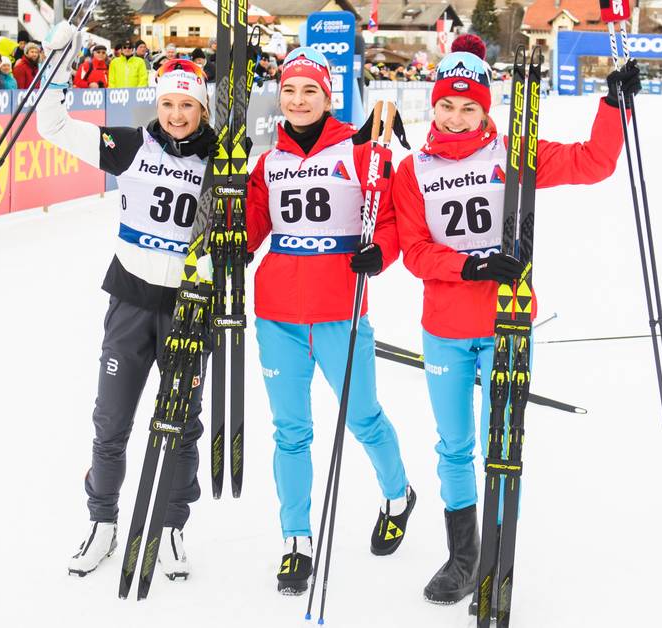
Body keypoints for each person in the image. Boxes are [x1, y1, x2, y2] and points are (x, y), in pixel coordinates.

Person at [391, 38, 640, 605]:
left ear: (486, 109)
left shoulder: (514, 153)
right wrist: (471, 265)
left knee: (502, 444)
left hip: (507, 320)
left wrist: (613, 106)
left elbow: (594, 162)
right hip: (444, 326)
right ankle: (464, 557)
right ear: (433, 105)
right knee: (454, 446)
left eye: (469, 107)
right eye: (446, 106)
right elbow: (415, 252)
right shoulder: (413, 169)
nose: (456, 118)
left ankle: (498, 559)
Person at [36, 21, 217, 581]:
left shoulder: (222, 159)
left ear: (203, 108)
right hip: (131, 300)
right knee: (111, 420)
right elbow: (52, 126)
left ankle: (171, 526)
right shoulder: (133, 145)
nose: (177, 114)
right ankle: (102, 523)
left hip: (190, 307)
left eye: (187, 105)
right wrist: (58, 64)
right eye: (168, 103)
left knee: (182, 422)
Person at [244, 46, 416, 596]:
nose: (298, 101)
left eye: (309, 91)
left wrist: (380, 252)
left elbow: (388, 220)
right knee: (291, 432)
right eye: (289, 91)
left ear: (327, 96)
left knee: (363, 417)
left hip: (340, 310)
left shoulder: (359, 150)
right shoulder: (268, 162)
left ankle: (398, 494)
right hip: (277, 316)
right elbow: (249, 231)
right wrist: (225, 237)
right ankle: (296, 539)